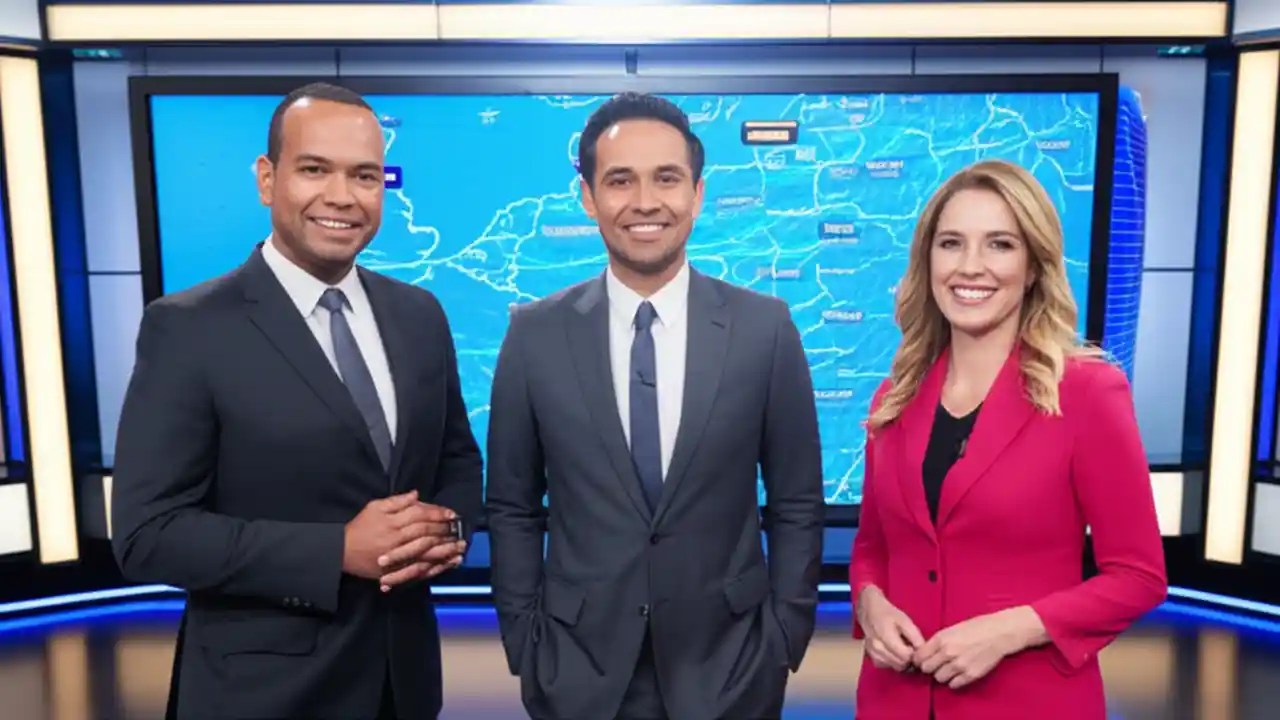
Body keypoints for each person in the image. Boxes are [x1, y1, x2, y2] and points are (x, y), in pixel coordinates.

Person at [110, 82, 482, 720]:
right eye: (315, 169)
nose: (342, 196)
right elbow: (148, 534)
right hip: (260, 695)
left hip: (404, 681)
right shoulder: (189, 328)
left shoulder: (418, 314)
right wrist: (337, 550)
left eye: (366, 175)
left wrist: (446, 530)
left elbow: (456, 459)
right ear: (267, 178)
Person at [485, 92, 825, 720]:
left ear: (697, 193)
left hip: (732, 667)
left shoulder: (765, 329)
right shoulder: (533, 335)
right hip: (577, 671)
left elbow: (798, 501)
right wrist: (524, 640)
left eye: (666, 179)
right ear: (587, 197)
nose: (645, 202)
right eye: (620, 180)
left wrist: (784, 636)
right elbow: (511, 506)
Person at [848, 159, 1167, 719]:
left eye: (999, 244)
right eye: (951, 243)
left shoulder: (1087, 393)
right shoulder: (893, 400)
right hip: (893, 701)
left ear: (1035, 266)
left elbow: (1138, 577)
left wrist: (1011, 630)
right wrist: (870, 605)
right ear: (928, 261)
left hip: (1026, 702)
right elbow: (874, 550)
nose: (970, 267)